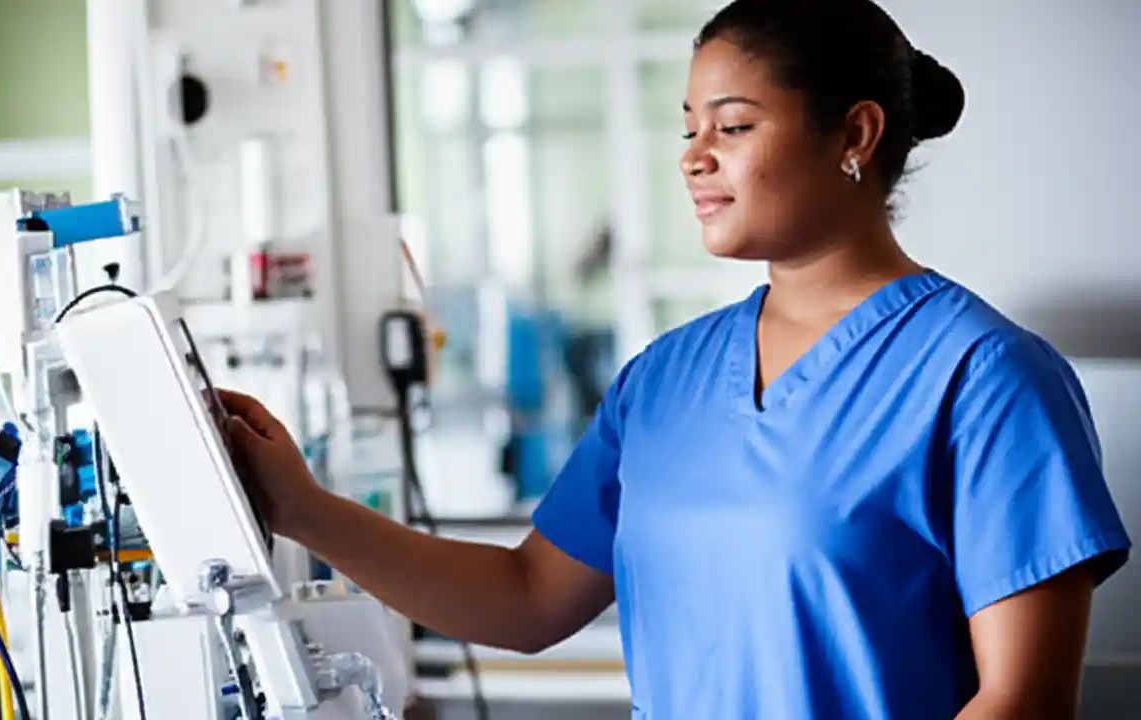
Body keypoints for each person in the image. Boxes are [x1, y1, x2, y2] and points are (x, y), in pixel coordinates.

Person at [219, 0, 1132, 717]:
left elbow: (1022, 703)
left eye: (733, 127)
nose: (693, 157)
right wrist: (302, 508)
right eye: (688, 127)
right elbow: (527, 598)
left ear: (855, 135)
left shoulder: (985, 379)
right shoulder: (662, 382)